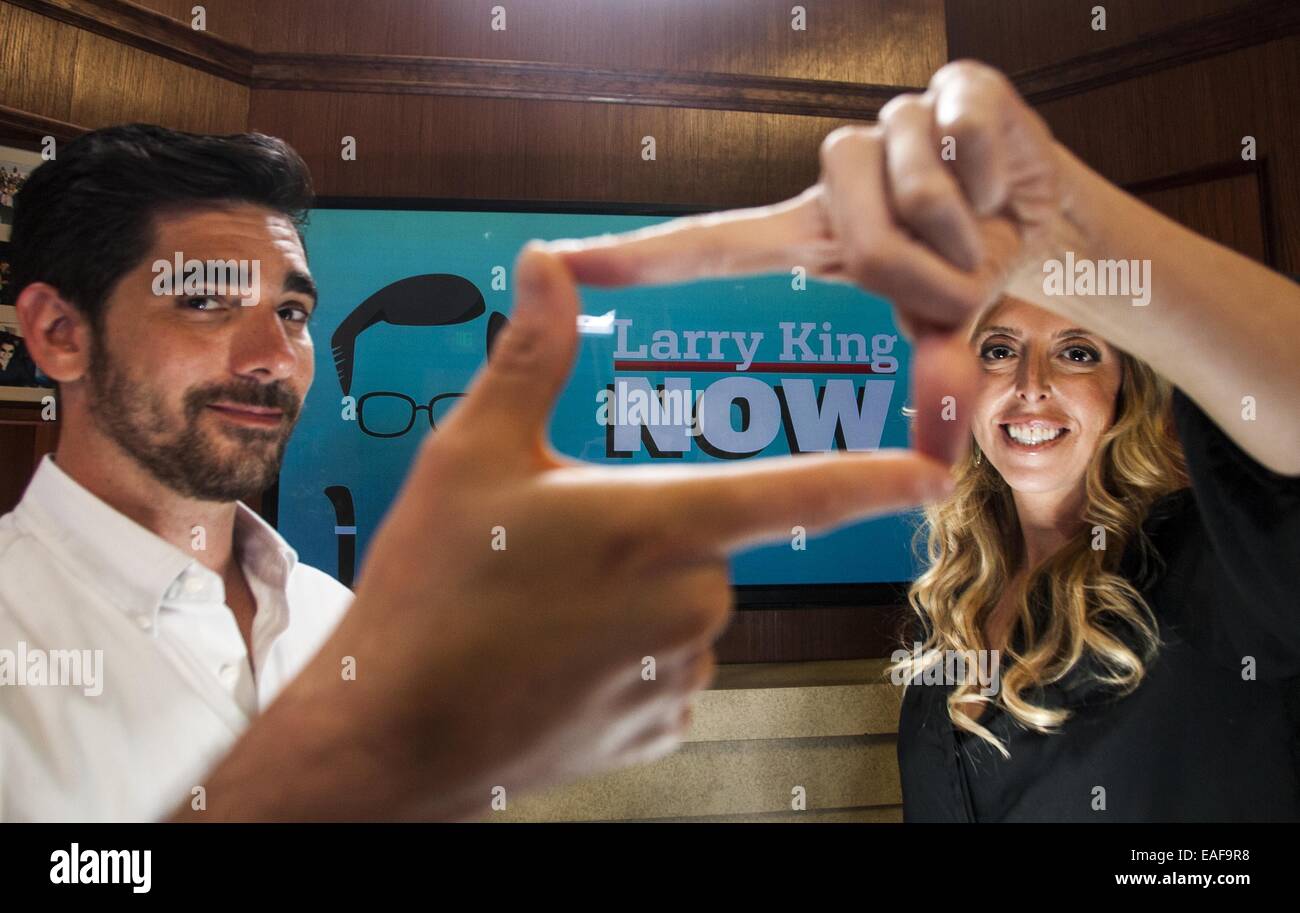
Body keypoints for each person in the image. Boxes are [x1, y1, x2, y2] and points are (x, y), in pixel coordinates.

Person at [0, 125, 951, 822]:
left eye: (292, 311)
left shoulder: (334, 618)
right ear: (57, 332)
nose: (271, 354)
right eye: (206, 300)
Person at [546, 60, 1300, 821]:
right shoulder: (953, 603)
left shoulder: (1208, 565)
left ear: (1125, 393)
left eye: (1078, 352)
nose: (1030, 382)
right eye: (999, 349)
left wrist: (1079, 222)